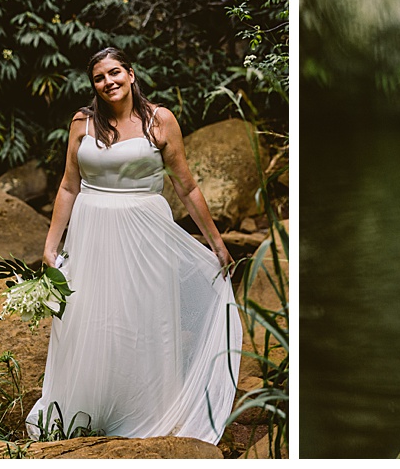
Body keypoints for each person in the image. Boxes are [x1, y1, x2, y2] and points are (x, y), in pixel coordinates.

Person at [27, 47, 241, 443]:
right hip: (92, 229)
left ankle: (149, 413)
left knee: (146, 319)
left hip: (146, 230)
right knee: (93, 316)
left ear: (130, 73)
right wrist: (50, 246)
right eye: (99, 77)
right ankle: (89, 409)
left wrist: (216, 243)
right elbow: (68, 185)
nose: (108, 82)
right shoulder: (82, 122)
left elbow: (187, 186)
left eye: (114, 73)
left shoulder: (160, 120)